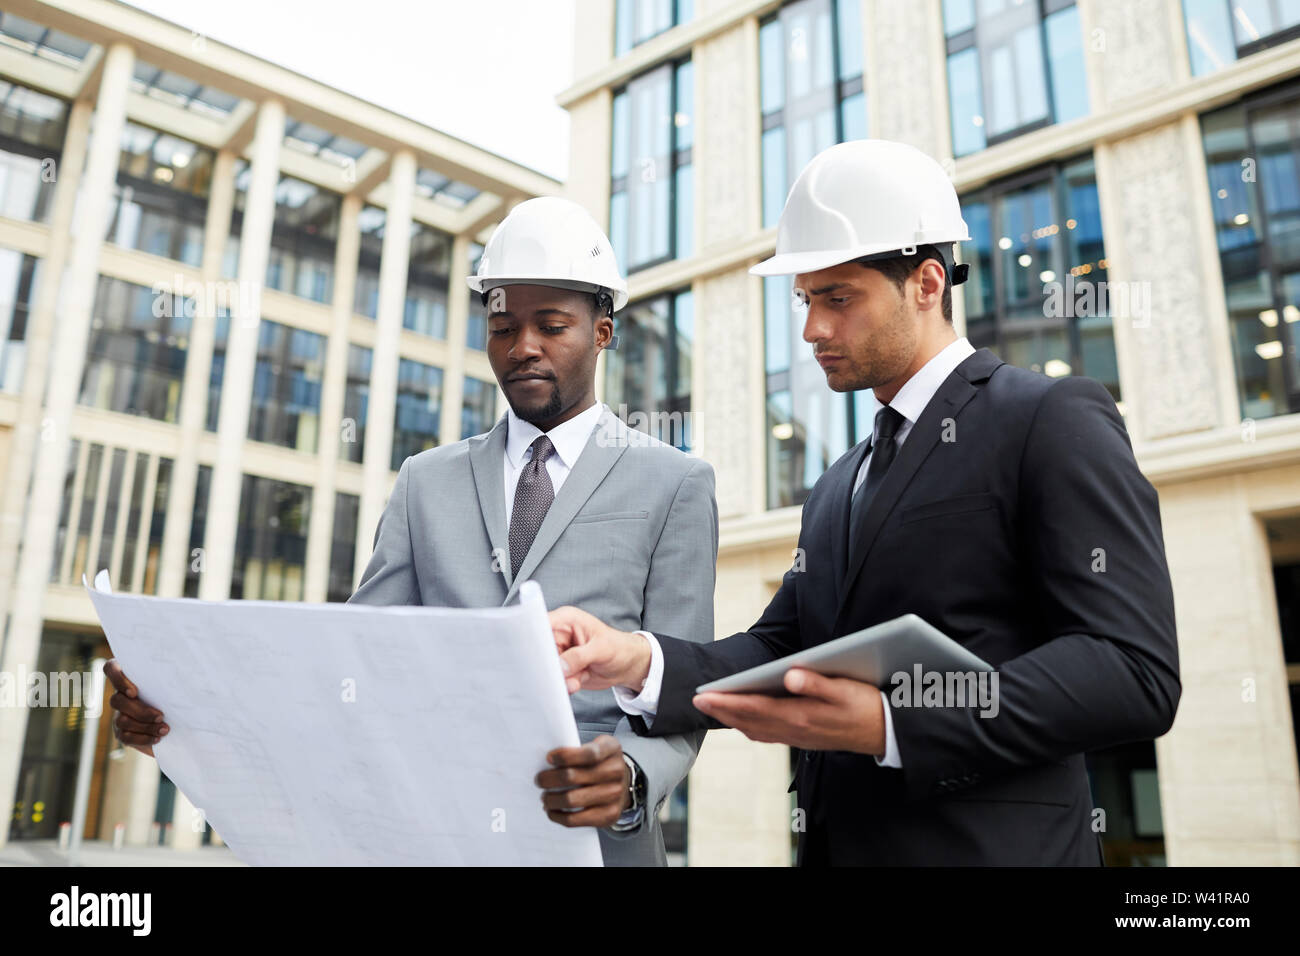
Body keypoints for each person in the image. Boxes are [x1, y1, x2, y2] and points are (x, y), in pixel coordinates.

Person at [548, 139, 1181, 866]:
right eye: (806, 299)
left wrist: (891, 722)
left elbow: (1133, 671)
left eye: (838, 297)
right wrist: (636, 660)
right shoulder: (839, 480)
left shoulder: (1050, 419)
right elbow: (780, 648)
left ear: (927, 283)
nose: (814, 328)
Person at [108, 196, 718, 867]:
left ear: (603, 332)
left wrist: (630, 776)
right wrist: (181, 717)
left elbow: (686, 693)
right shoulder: (427, 481)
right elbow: (354, 666)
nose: (523, 347)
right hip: (435, 837)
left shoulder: (673, 483)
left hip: (599, 846)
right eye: (502, 325)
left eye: (552, 325)